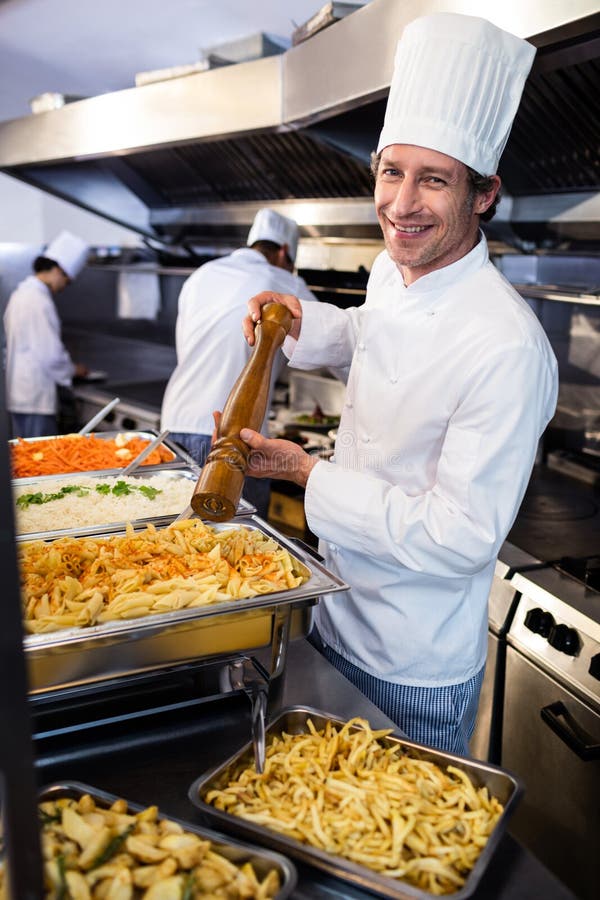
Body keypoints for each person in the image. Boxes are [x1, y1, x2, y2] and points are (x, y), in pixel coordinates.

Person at [238, 13, 559, 755]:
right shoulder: (394, 269)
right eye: (392, 172)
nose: (402, 204)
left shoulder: (507, 346)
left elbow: (459, 538)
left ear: (484, 194)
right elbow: (371, 335)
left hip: (410, 666)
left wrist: (306, 474)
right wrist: (299, 323)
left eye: (434, 180)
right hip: (334, 614)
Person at [161, 208, 317, 518]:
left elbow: (185, 347)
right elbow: (332, 343)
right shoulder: (284, 281)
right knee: (238, 535)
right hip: (233, 435)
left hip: (174, 422)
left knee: (175, 534)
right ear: (284, 252)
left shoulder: (203, 273)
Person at [4, 230, 89, 439]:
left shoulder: (21, 293)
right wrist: (72, 370)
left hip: (19, 390)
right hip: (35, 394)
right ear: (58, 270)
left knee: (25, 453)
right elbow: (50, 354)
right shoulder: (38, 300)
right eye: (66, 281)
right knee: (39, 454)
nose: (63, 287)